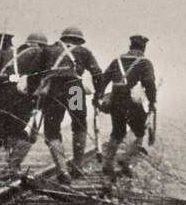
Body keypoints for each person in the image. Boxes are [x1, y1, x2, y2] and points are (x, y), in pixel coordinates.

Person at [38, 25, 104, 183]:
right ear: (79, 40)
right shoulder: (84, 52)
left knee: (52, 130)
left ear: (63, 38)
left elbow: (35, 73)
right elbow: (98, 73)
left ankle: (62, 170)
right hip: (74, 88)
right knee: (79, 125)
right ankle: (78, 166)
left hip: (54, 89)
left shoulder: (48, 50)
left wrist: (36, 95)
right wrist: (98, 95)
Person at [99, 34, 157, 186]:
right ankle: (125, 160)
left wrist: (98, 97)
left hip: (116, 102)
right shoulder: (144, 62)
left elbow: (104, 79)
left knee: (117, 132)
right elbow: (149, 83)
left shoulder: (117, 61)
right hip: (133, 104)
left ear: (130, 46)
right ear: (143, 48)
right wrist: (152, 101)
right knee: (140, 132)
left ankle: (107, 165)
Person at [0, 31, 50, 176]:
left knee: (10, 131)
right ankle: (12, 165)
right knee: (29, 133)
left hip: (2, 99)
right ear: (41, 45)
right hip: (23, 99)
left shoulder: (12, 54)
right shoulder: (38, 53)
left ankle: (7, 164)